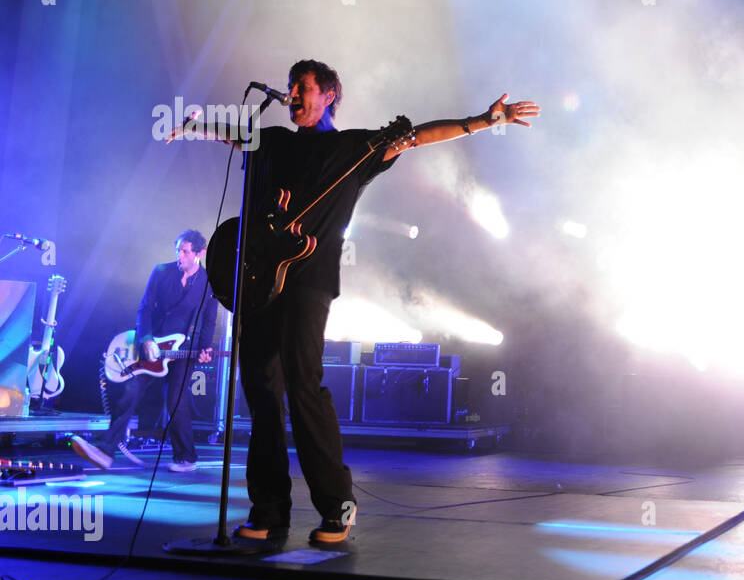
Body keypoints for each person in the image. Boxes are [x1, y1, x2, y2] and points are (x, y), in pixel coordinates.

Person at [199, 59, 538, 545]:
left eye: (304, 89)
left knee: (302, 384)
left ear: (330, 94)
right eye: (291, 88)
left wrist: (482, 122)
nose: (293, 96)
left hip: (308, 280)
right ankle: (269, 508)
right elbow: (232, 133)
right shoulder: (272, 140)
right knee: (259, 390)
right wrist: (194, 124)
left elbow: (417, 136)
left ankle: (337, 505)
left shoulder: (351, 148)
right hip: (256, 282)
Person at [73, 230, 216, 473]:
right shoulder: (161, 271)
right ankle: (105, 452)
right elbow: (145, 308)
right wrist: (147, 339)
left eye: (185, 251)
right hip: (151, 348)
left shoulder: (209, 283)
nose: (179, 255)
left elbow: (209, 320)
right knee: (130, 394)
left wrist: (204, 350)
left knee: (175, 402)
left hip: (182, 352)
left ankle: (187, 457)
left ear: (200, 254)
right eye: (178, 249)